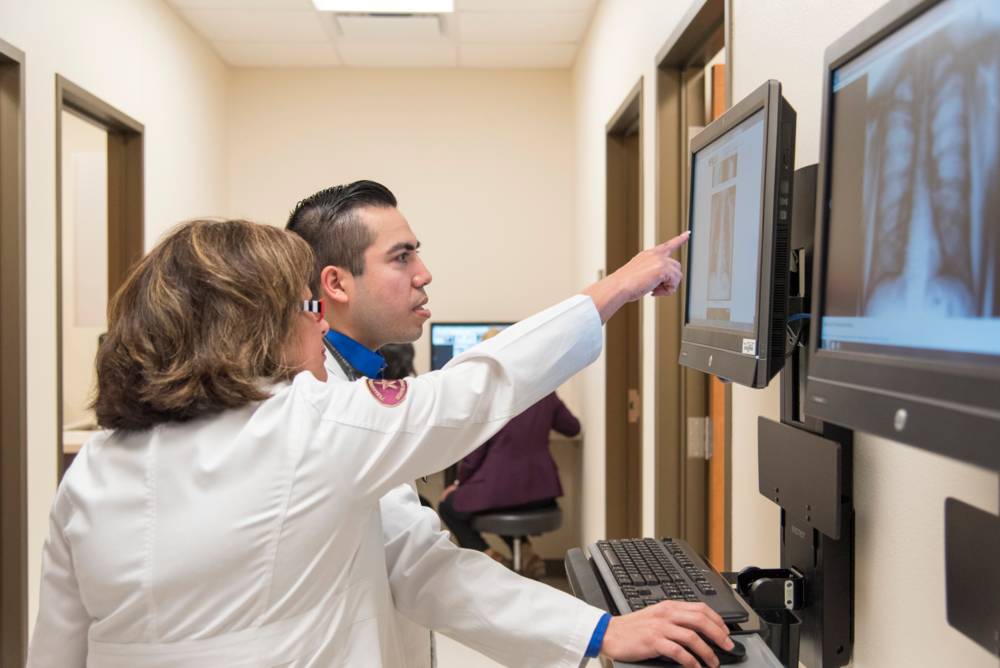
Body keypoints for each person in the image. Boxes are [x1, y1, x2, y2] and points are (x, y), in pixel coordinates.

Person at [284, 181, 730, 667]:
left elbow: (415, 565)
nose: (424, 274)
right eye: (402, 257)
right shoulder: (312, 401)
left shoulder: (344, 385)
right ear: (336, 283)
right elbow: (475, 390)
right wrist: (613, 289)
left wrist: (598, 631)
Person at [438, 390, 580, 577]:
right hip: (542, 494)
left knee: (449, 506)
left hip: (499, 492)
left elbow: (473, 457)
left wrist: (458, 483)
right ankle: (524, 549)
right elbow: (572, 428)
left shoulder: (493, 397)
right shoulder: (545, 392)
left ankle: (489, 558)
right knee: (491, 502)